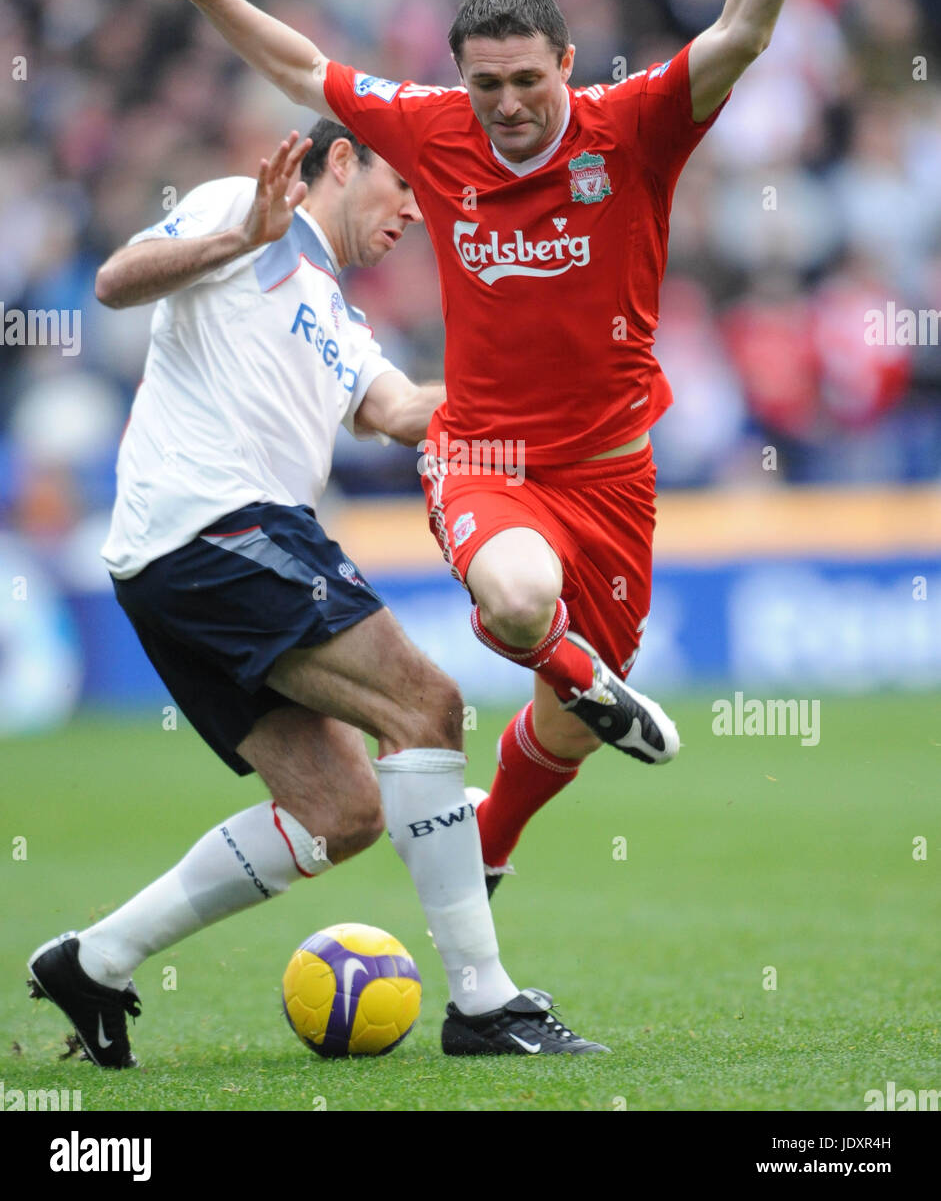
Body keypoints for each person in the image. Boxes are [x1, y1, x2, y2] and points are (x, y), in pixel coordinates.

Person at [86, 0, 845, 894]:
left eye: (526, 82)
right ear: (460, 81)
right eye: (485, 86)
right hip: (487, 455)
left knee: (565, 729)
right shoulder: (434, 130)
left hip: (611, 471)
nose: (506, 107)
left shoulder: (631, 129)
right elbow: (302, 64)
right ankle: (572, 670)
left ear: (565, 66)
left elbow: (735, 39)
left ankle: (491, 841)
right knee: (522, 600)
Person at [27, 120, 607, 1064]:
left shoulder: (336, 313)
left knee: (341, 811)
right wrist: (237, 238)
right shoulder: (240, 208)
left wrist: (535, 388)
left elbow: (397, 411)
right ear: (342, 160)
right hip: (217, 528)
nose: (417, 214)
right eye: (406, 189)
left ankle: (95, 962)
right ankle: (485, 1004)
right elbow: (113, 283)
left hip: (172, 562)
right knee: (427, 706)